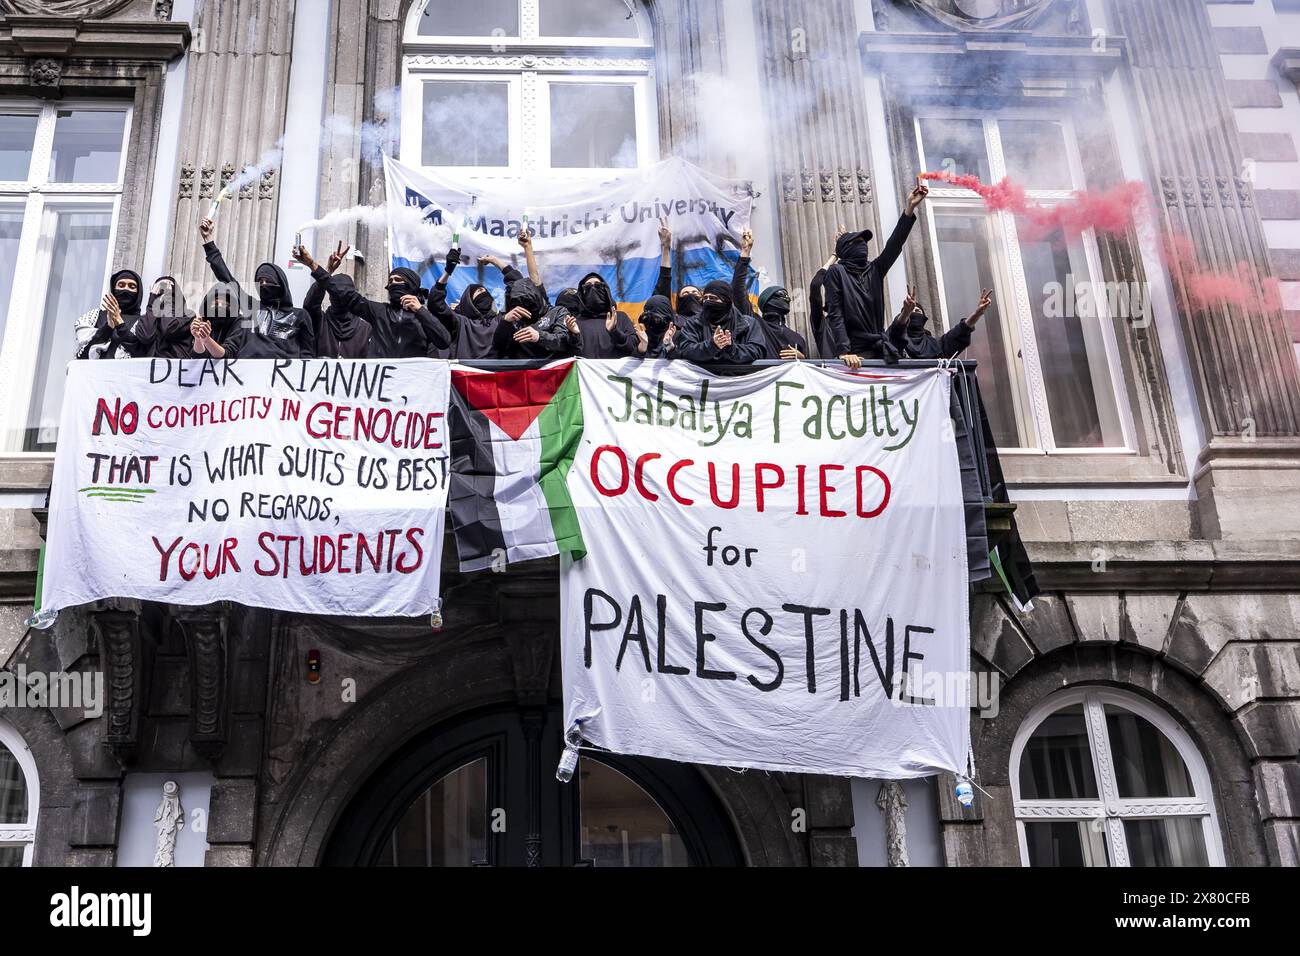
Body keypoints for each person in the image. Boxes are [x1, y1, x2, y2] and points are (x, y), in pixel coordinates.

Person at [823, 178, 929, 368]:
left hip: (881, 349)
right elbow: (835, 313)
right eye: (857, 242)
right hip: (855, 353)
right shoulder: (836, 272)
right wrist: (844, 352)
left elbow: (894, 245)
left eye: (864, 242)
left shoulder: (874, 270)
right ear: (845, 250)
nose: (863, 245)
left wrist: (909, 209)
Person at [199, 218, 315, 358]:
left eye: (268, 280)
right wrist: (208, 241)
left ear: (281, 283)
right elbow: (227, 278)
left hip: (283, 377)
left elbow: (308, 356)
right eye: (260, 281)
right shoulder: (252, 308)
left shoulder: (300, 316)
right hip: (248, 376)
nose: (264, 284)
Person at [323, 248, 456, 359]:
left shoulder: (425, 316)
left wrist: (420, 311)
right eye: (390, 281)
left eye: (398, 280)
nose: (393, 284)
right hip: (382, 382)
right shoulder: (379, 311)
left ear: (411, 285)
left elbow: (443, 341)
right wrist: (317, 268)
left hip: (411, 383)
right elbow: (346, 295)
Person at [732, 228, 809, 361]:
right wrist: (745, 253)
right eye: (778, 295)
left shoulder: (797, 339)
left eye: (786, 296)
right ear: (765, 302)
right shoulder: (755, 323)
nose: (785, 298)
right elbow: (738, 291)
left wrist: (802, 358)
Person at [296, 241, 371, 359]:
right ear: (330, 296)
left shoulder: (365, 329)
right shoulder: (320, 322)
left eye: (344, 295)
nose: (340, 298)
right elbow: (311, 304)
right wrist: (327, 272)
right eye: (335, 293)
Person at [669, 279, 765, 365]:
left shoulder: (748, 323)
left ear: (726, 300)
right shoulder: (694, 323)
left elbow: (757, 351)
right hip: (703, 381)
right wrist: (712, 346)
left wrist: (731, 349)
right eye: (705, 298)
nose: (708, 301)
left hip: (739, 380)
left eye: (713, 298)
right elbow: (686, 350)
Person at [888, 285, 992, 360]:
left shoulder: (934, 346)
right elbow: (896, 332)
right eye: (911, 311)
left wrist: (976, 314)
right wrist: (906, 312)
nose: (914, 313)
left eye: (918, 311)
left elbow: (958, 333)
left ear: (923, 319)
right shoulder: (893, 341)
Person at [491, 275, 580, 359]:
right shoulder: (514, 319)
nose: (526, 308)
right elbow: (499, 348)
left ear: (537, 298)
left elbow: (563, 342)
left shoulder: (557, 312)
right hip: (523, 370)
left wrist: (539, 336)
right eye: (520, 304)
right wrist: (505, 322)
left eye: (529, 303)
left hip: (551, 368)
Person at [74, 270, 153, 360]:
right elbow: (83, 354)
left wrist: (120, 324)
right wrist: (107, 328)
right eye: (121, 285)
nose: (125, 289)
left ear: (138, 292)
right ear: (113, 289)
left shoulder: (143, 323)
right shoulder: (95, 316)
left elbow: (143, 352)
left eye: (132, 286)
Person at [572, 270, 642, 358]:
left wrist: (615, 332)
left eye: (598, 285)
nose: (593, 288)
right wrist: (574, 336)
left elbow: (633, 348)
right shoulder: (576, 322)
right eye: (588, 286)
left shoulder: (620, 318)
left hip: (614, 372)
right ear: (582, 293)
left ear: (605, 290)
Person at [653, 219, 705, 322]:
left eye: (695, 293)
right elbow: (663, 286)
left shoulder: (713, 323)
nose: (691, 295)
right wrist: (666, 248)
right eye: (685, 294)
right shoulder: (672, 322)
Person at [188, 280, 249, 360]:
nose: (220, 306)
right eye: (216, 303)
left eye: (225, 304)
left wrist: (206, 339)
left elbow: (228, 354)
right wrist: (198, 338)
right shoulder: (202, 321)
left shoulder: (239, 322)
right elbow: (197, 356)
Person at [143, 277, 197, 360]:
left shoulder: (188, 315)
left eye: (170, 287)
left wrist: (169, 300)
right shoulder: (149, 317)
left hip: (178, 369)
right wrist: (151, 305)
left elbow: (169, 329)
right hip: (152, 369)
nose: (165, 291)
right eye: (161, 288)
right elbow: (146, 336)